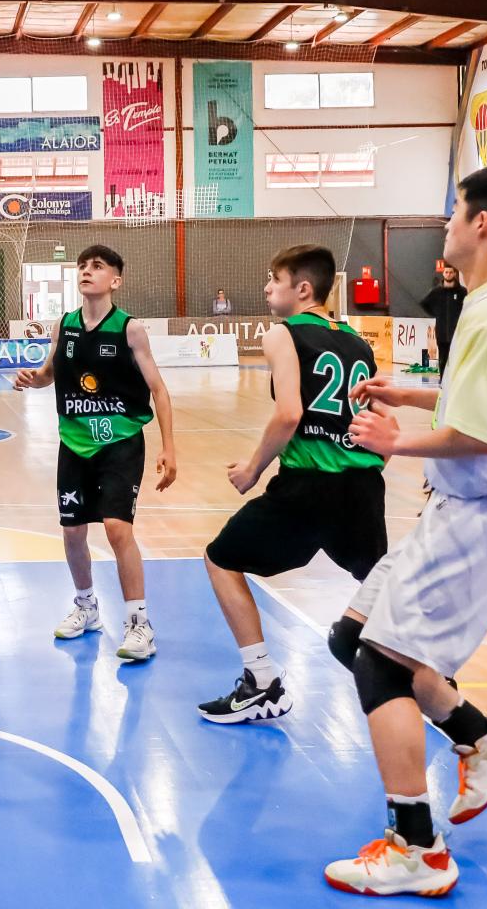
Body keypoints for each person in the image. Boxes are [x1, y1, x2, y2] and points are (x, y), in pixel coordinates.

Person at [320, 166, 487, 897]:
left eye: (455, 211)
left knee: (380, 667)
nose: (447, 223)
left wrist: (395, 441)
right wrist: (410, 393)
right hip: (457, 511)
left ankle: (416, 848)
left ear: (482, 224)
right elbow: (484, 401)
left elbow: (479, 436)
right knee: (352, 640)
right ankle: (485, 738)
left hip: (476, 514)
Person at [197, 243, 386, 723]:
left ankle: (261, 681)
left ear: (302, 289)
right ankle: (434, 678)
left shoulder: (282, 334)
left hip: (307, 488)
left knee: (220, 559)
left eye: (273, 279)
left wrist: (252, 470)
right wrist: (363, 466)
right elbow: (381, 427)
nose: (265, 287)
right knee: (382, 586)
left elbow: (289, 414)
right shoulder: (357, 342)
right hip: (362, 488)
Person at [15, 244, 176, 663]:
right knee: (72, 532)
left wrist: (169, 447)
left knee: (117, 528)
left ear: (115, 281)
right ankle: (86, 607)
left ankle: (139, 624)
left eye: (98, 266)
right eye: (83, 266)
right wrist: (32, 380)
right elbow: (49, 375)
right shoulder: (63, 326)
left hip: (120, 442)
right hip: (74, 443)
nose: (87, 271)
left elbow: (158, 389)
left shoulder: (129, 329)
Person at [420, 265, 469, 371]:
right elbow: (424, 303)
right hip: (441, 333)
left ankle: (455, 383)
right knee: (443, 359)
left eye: (451, 272)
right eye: (446, 272)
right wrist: (435, 313)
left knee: (456, 359)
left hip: (457, 332)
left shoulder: (462, 292)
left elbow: (469, 305)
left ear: (455, 274)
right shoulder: (437, 292)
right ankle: (442, 383)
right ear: (443, 273)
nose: (448, 274)